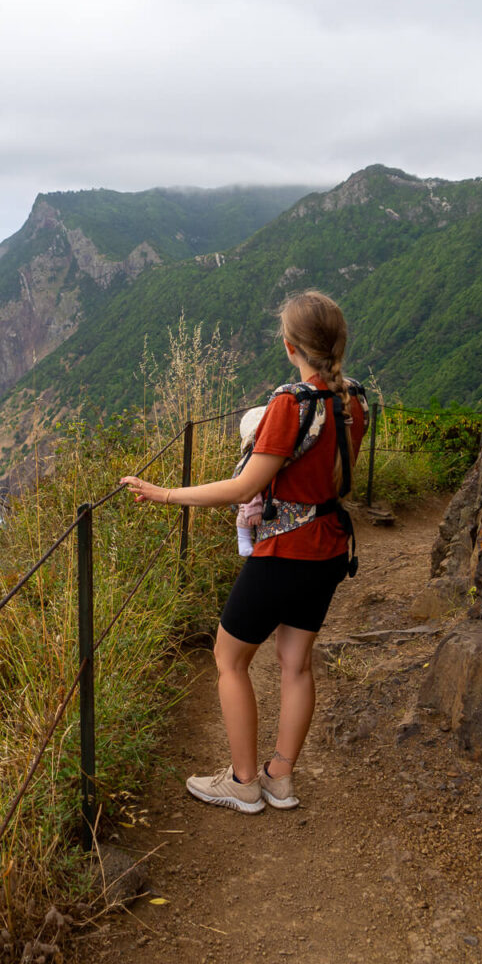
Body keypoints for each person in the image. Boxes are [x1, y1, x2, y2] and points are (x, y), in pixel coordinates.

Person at [121, 290, 365, 813]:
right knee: (296, 664)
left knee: (229, 660)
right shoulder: (354, 401)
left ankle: (243, 782)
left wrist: (164, 494)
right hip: (329, 548)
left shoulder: (289, 403)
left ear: (289, 346)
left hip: (282, 552)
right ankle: (280, 778)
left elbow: (241, 488)